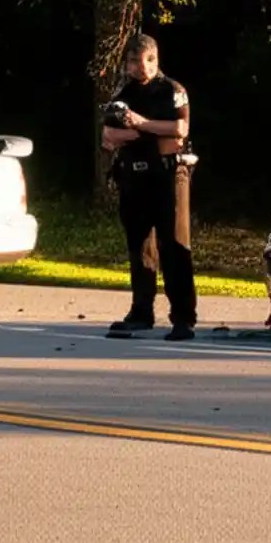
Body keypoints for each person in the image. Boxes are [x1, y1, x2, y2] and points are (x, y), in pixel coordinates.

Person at [101, 33, 198, 341]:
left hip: (169, 176)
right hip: (133, 177)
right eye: (134, 61)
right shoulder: (123, 91)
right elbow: (109, 137)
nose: (141, 67)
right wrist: (154, 132)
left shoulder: (172, 91)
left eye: (147, 60)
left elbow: (179, 132)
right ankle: (141, 312)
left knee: (174, 246)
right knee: (140, 247)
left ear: (156, 60)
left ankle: (183, 318)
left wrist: (138, 124)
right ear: (127, 63)